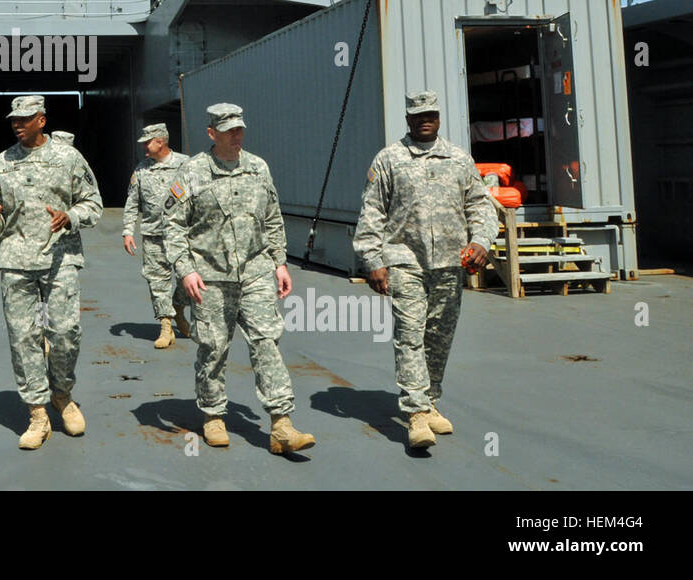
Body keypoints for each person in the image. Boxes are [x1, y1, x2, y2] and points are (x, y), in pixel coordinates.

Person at [163, 103, 315, 454]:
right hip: (210, 277)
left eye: (240, 129)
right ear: (211, 133)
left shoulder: (258, 168)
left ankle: (281, 424)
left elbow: (273, 218)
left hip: (256, 270)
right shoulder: (192, 172)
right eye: (229, 130)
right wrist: (185, 270)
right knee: (214, 347)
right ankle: (213, 414)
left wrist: (279, 262)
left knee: (266, 341)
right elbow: (173, 226)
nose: (237, 135)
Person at [352, 90, 497, 450]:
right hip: (405, 260)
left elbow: (480, 204)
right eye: (417, 115)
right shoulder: (389, 159)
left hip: (451, 262)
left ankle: (430, 399)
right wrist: (372, 260)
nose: (424, 119)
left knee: (439, 335)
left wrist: (481, 240)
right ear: (408, 120)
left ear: (438, 116)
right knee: (410, 334)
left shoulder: (459, 159)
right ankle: (416, 414)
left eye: (430, 113)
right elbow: (372, 212)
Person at [0, 96, 102, 449]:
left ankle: (62, 395)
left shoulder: (68, 158)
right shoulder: (3, 162)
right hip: (16, 259)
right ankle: (37, 413)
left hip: (59, 258)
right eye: (14, 120)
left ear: (42, 121)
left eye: (25, 119)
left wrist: (72, 217)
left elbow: (92, 202)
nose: (18, 124)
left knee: (64, 333)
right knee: (23, 337)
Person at [122, 123, 191, 349]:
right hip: (153, 234)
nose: (143, 145)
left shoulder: (186, 165)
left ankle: (178, 307)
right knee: (157, 281)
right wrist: (128, 231)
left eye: (147, 141)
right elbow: (132, 202)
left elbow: (200, 197)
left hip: (183, 235)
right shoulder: (141, 169)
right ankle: (166, 326)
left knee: (187, 278)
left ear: (160, 141)